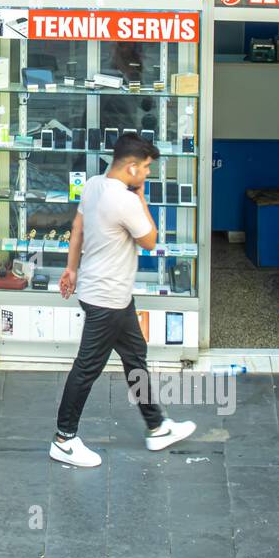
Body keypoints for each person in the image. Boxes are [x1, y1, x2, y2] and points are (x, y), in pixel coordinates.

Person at [52, 134, 196, 467]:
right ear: (131, 167)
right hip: (107, 299)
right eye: (145, 168)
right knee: (87, 368)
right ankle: (63, 438)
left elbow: (78, 228)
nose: (147, 174)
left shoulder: (93, 185)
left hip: (102, 292)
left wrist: (71, 269)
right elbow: (150, 240)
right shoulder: (125, 200)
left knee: (135, 355)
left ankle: (157, 426)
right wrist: (142, 198)